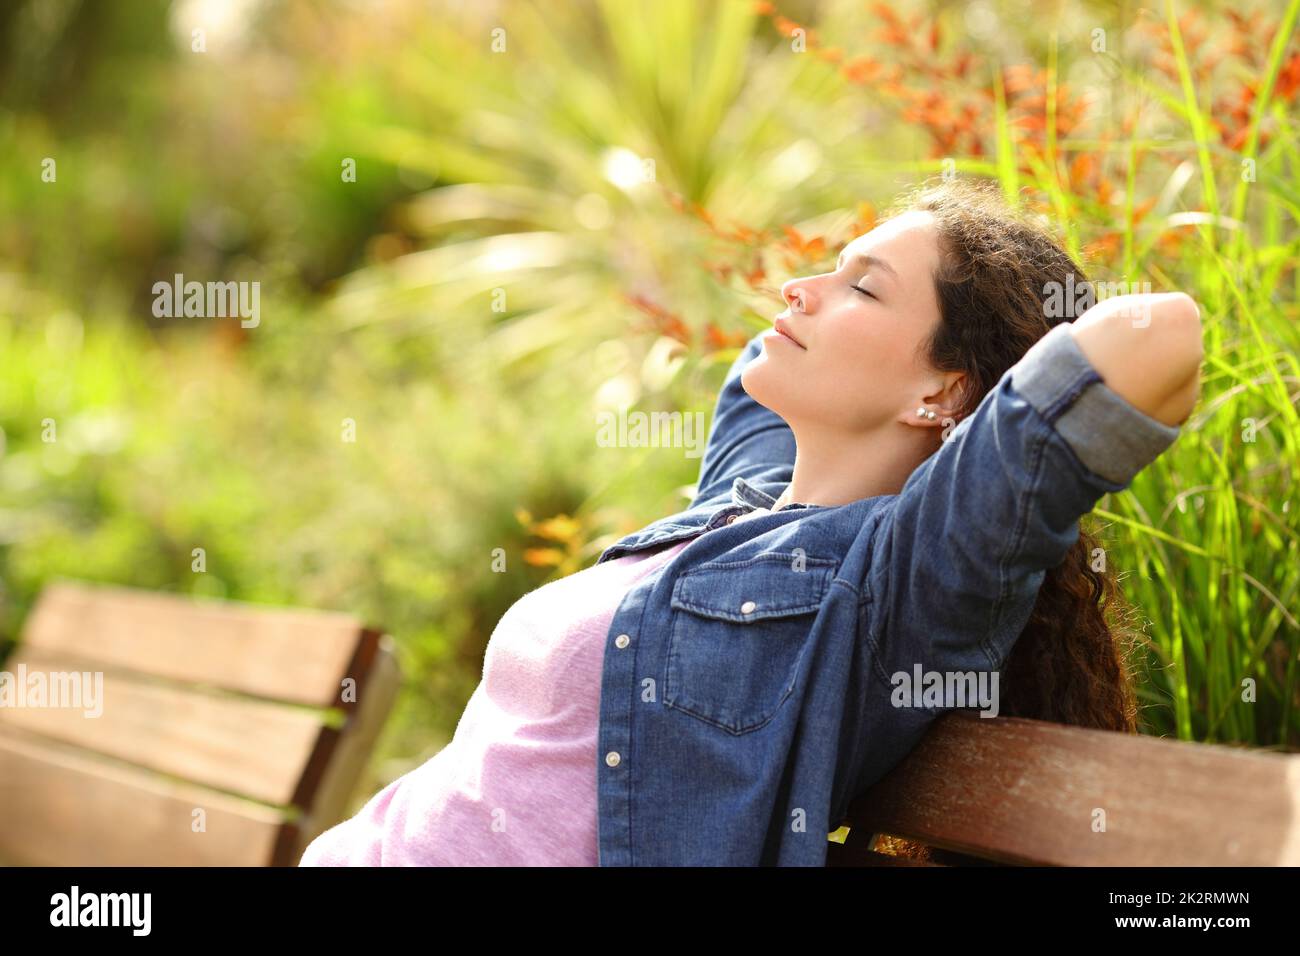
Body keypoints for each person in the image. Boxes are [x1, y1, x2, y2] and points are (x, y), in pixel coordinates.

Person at [299, 178, 1202, 866]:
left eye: (864, 287)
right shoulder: (735, 507)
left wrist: (983, 416)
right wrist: (864, 288)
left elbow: (1158, 336)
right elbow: (753, 369)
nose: (800, 287)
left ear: (945, 389)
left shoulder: (905, 581)